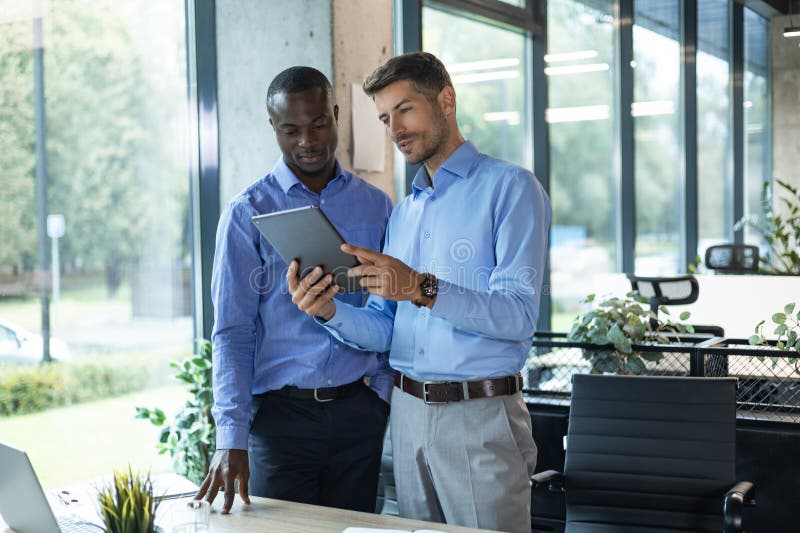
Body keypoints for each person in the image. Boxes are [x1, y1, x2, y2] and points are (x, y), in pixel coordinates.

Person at [288, 52, 551, 533]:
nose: (395, 129)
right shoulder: (404, 212)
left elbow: (517, 316)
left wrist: (421, 288)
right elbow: (385, 328)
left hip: (479, 418)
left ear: (446, 100)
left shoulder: (511, 189)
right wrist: (328, 312)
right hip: (406, 417)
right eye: (386, 118)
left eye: (405, 109)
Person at [195, 66, 394, 515]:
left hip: (357, 416)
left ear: (335, 114)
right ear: (273, 127)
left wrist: (377, 399)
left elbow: (390, 311)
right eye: (291, 129)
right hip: (281, 424)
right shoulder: (247, 212)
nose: (307, 140)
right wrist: (231, 438)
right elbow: (232, 332)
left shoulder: (376, 206)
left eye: (319, 123)